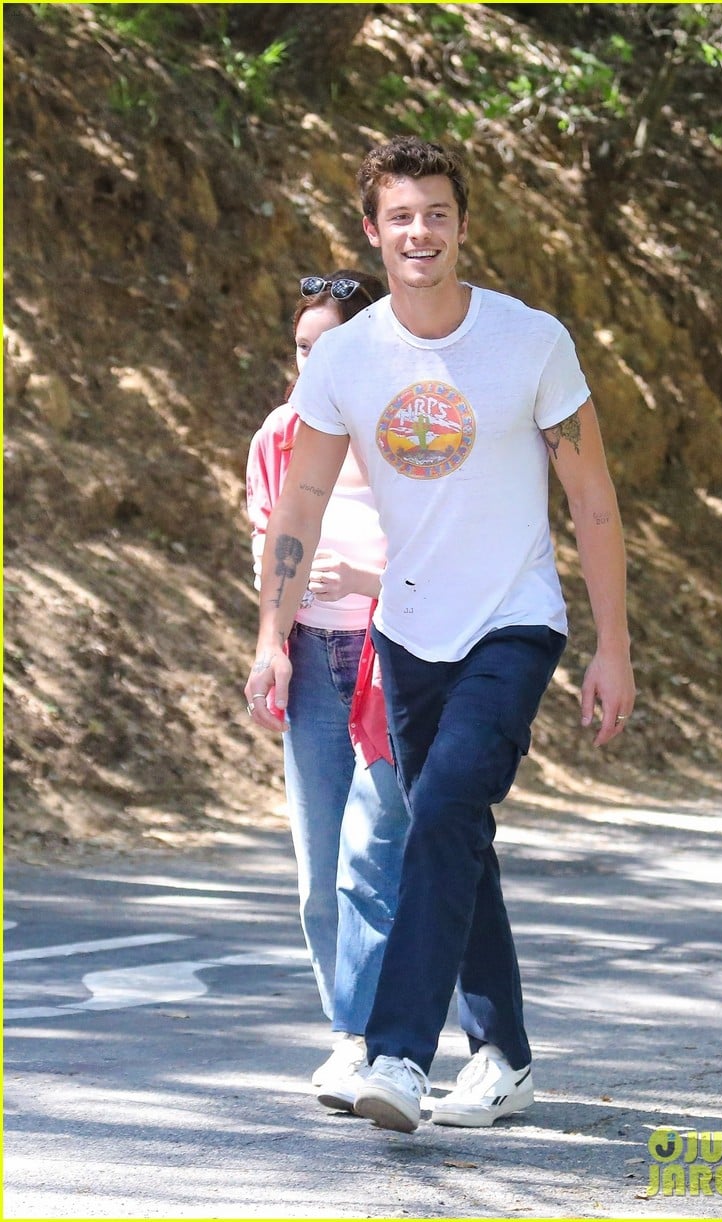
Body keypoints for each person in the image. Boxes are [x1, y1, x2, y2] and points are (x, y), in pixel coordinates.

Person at [245, 136, 636, 1134]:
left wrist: (611, 646)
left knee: (444, 807)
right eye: (400, 216)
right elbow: (300, 502)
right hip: (409, 634)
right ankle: (503, 1057)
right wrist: (270, 635)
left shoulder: (530, 341)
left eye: (437, 213)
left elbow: (590, 499)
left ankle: (399, 1056)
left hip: (512, 620)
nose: (420, 231)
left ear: (462, 226)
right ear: (373, 232)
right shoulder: (346, 356)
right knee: (456, 834)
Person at [245, 269, 408, 1108]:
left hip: (393, 660)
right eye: (301, 349)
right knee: (318, 869)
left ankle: (376, 1041)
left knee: (370, 861)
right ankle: (352, 1033)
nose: (310, 365)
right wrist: (270, 643)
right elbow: (268, 546)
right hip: (312, 659)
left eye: (328, 348)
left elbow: (449, 553)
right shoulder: (279, 434)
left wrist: (370, 577)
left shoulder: (402, 432)